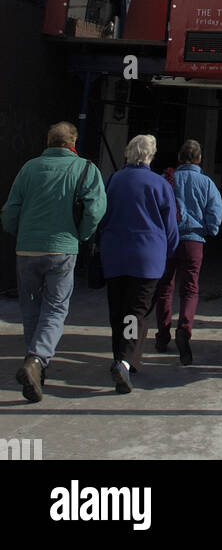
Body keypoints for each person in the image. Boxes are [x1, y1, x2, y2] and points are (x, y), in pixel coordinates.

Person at [1, 121, 106, 402]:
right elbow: (95, 210)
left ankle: (36, 367)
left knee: (30, 308)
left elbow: (11, 209)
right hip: (62, 248)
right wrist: (81, 235)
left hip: (27, 249)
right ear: (73, 143)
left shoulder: (29, 168)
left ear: (48, 142)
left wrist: (19, 231)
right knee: (56, 309)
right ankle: (36, 360)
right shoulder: (85, 169)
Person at [100, 134, 180, 393]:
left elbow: (102, 215)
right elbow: (170, 227)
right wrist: (168, 251)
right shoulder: (159, 184)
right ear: (150, 156)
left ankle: (119, 357)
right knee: (137, 311)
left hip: (114, 255)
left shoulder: (112, 180)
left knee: (118, 310)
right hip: (147, 259)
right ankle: (125, 361)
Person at [153, 139, 222, 364]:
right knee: (190, 289)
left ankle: (162, 335)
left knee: (165, 287)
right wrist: (208, 230)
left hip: (168, 241)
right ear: (200, 158)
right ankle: (184, 329)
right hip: (194, 241)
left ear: (180, 157)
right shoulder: (207, 183)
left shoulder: (166, 180)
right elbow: (215, 213)